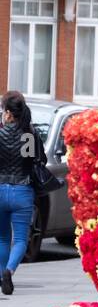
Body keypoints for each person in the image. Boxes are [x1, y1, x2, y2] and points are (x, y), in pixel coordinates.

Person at [0, 90, 41, 295]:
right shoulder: (29, 135)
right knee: (21, 240)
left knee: (2, 238)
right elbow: (37, 161)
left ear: (7, 112)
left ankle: (1, 276)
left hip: (0, 190)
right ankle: (9, 271)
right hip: (22, 191)